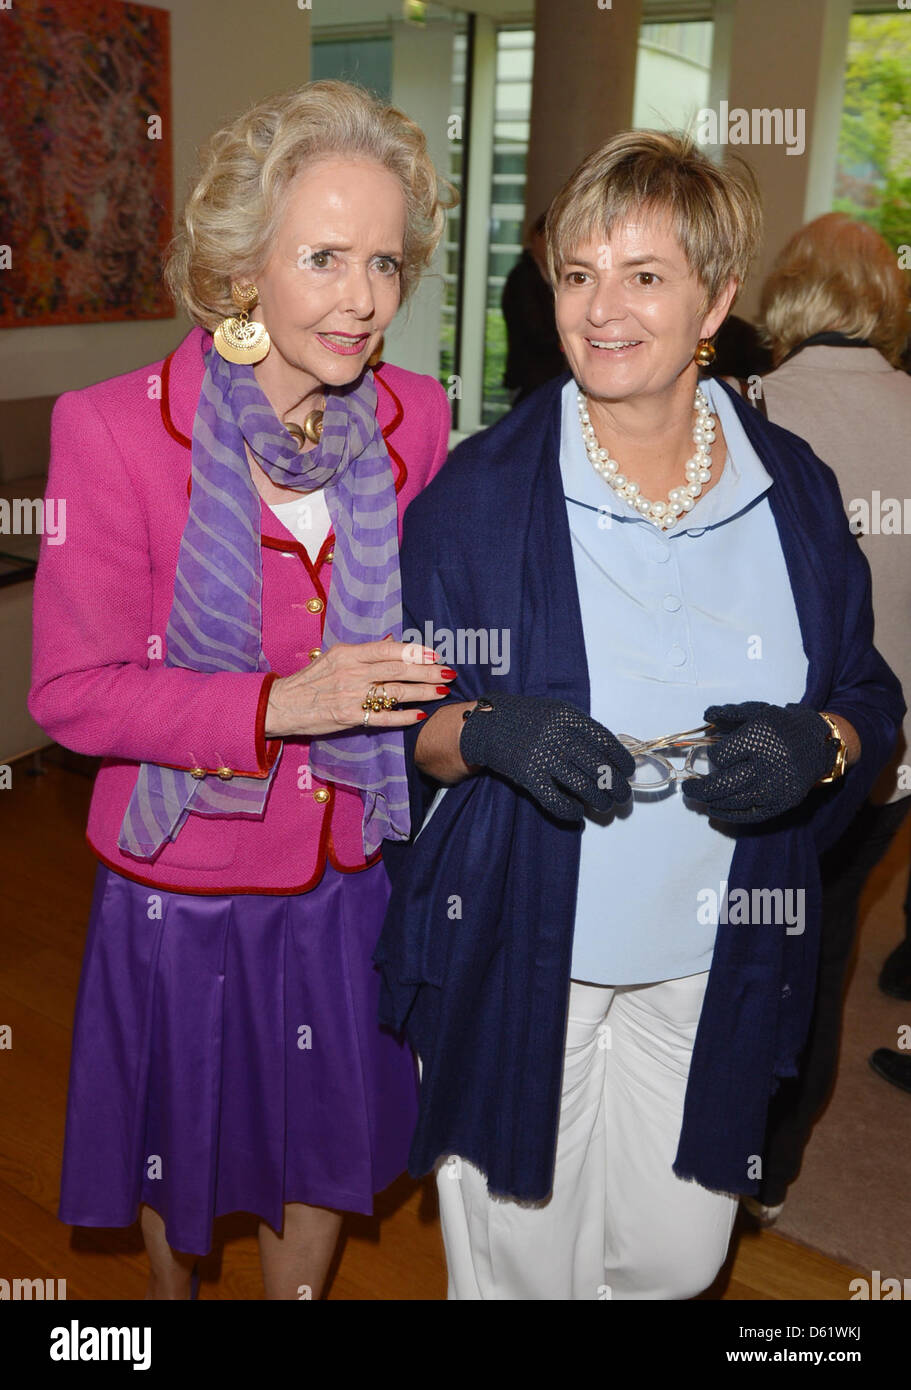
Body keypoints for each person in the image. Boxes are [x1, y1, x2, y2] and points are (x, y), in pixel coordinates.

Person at [374, 131, 904, 1300]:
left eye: (643, 275)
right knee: (520, 1276)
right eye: (576, 274)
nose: (599, 310)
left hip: (715, 961)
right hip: (523, 950)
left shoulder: (796, 489)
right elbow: (397, 722)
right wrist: (484, 733)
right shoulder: (474, 500)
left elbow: (866, 691)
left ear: (716, 297)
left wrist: (820, 744)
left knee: (668, 1264)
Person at [28, 80, 456, 1300]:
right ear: (238, 272)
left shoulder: (410, 421)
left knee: (322, 1140)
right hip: (185, 887)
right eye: (322, 256)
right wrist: (277, 704)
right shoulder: (111, 431)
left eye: (382, 261)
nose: (362, 297)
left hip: (348, 865)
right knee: (186, 1138)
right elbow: (70, 693)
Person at [735, 212, 911, 1180]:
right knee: (828, 939)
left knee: (747, 946)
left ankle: (719, 1140)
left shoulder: (747, 408)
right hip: (891, 752)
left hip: (774, 749)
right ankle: (775, 1157)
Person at [501, 211, 566, 404]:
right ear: (536, 237)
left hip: (546, 376)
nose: (555, 248)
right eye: (550, 240)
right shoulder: (523, 278)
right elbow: (534, 330)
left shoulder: (550, 276)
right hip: (529, 376)